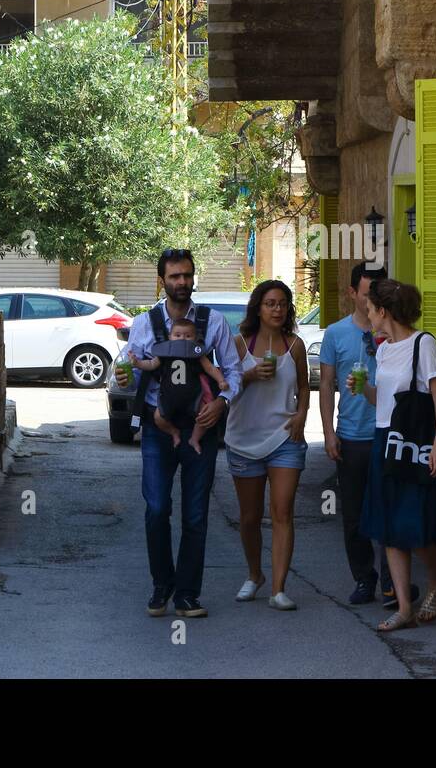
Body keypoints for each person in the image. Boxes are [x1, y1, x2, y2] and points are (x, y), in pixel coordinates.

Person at [113, 249, 243, 619]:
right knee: (156, 509)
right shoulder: (145, 323)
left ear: (193, 277)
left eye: (187, 275)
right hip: (158, 426)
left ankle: (187, 594)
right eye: (174, 276)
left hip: (202, 423)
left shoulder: (213, 321)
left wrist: (222, 401)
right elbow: (129, 369)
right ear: (162, 280)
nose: (182, 282)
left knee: (196, 514)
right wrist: (125, 376)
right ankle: (161, 584)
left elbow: (231, 371)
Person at [318, 262, 416, 608]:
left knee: (391, 508)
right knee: (355, 513)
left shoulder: (396, 337)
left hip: (390, 432)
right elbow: (327, 385)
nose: (372, 300)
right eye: (366, 294)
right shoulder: (335, 334)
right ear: (351, 294)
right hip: (353, 433)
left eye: (378, 293)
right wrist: (329, 433)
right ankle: (364, 578)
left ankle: (394, 584)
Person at [358, 279, 436, 632]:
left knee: (413, 523)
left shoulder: (423, 344)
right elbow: (380, 400)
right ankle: (403, 608)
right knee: (387, 525)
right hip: (384, 438)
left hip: (414, 442)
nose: (367, 314)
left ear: (383, 311)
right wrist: (362, 389)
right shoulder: (382, 350)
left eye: (370, 308)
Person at [224, 280, 311, 610]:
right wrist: (248, 376)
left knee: (282, 512)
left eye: (283, 304)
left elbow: (304, 387)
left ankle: (278, 589)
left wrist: (302, 414)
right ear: (257, 308)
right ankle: (254, 574)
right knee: (249, 517)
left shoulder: (295, 345)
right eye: (270, 303)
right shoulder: (239, 345)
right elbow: (224, 388)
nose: (277, 310)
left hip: (284, 437)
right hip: (244, 439)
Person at [130, 317, 230, 453]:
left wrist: (221, 381)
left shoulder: (197, 353)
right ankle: (174, 432)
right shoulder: (165, 353)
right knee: (158, 417)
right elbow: (151, 364)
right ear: (170, 337)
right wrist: (138, 363)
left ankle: (194, 439)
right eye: (178, 335)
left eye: (188, 336)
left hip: (194, 396)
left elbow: (210, 368)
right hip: (169, 398)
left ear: (195, 338)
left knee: (204, 416)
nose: (182, 339)